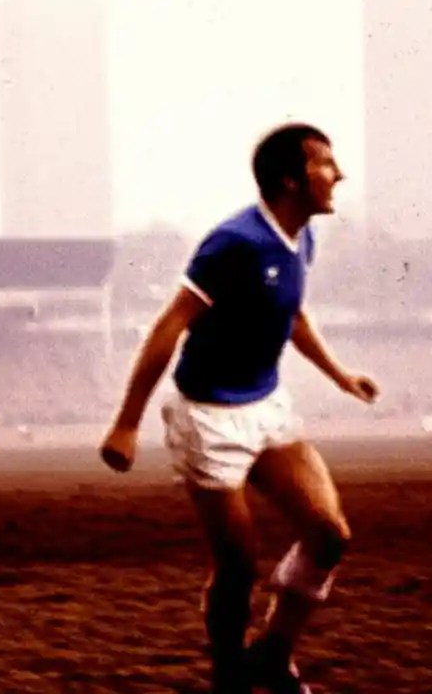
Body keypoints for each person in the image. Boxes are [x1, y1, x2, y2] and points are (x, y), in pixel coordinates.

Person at [99, 122, 379, 693]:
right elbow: (169, 326)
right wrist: (126, 424)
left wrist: (340, 374)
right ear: (290, 180)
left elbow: (292, 314)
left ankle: (273, 655)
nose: (339, 174)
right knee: (238, 567)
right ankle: (229, 678)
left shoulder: (301, 236)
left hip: (267, 406)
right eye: (326, 163)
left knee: (330, 534)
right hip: (207, 418)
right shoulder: (235, 242)